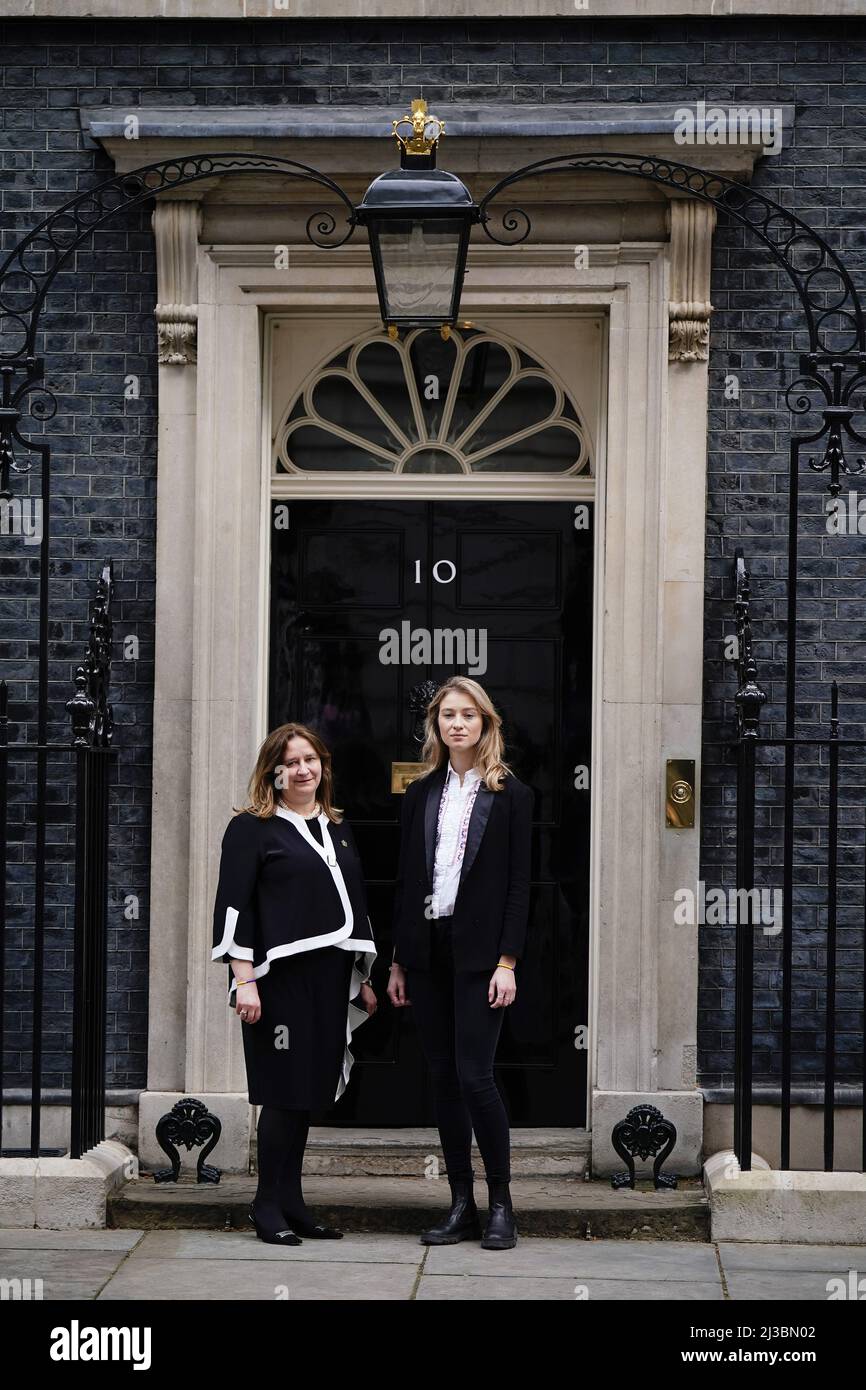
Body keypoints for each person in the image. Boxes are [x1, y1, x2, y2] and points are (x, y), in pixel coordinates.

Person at [211, 722, 376, 1245]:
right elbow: (234, 906)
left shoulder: (337, 826)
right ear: (274, 771)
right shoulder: (251, 828)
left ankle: (293, 1201)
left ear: (322, 765)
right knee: (282, 1093)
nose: (304, 769)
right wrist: (244, 981)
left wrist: (361, 975)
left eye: (312, 759)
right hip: (277, 979)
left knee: (307, 1091)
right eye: (292, 762)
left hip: (330, 975)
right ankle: (266, 1204)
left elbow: (358, 902)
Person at [387, 677, 532, 1250]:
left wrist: (508, 962)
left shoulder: (513, 795)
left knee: (476, 1077)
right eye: (448, 714)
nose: (457, 724)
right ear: (436, 724)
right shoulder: (421, 794)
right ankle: (459, 1204)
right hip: (426, 955)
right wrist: (398, 961)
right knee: (444, 1079)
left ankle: (501, 1204)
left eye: (468, 715)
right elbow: (406, 884)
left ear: (486, 723)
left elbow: (522, 887)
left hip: (482, 958)